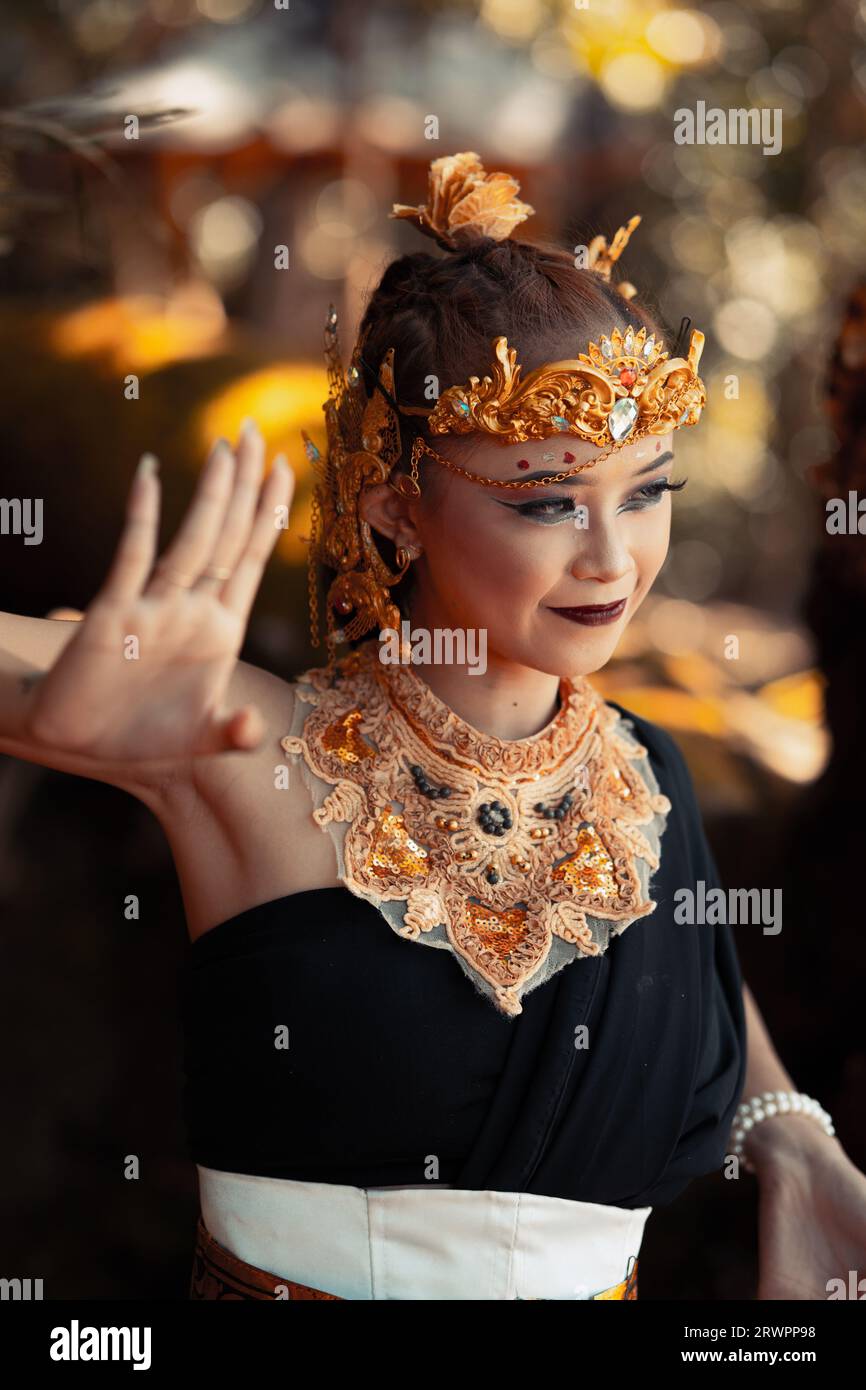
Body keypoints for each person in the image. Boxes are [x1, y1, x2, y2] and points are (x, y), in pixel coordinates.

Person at [1, 151, 864, 1301]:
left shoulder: (646, 775)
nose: (612, 560)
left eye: (646, 490)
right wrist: (54, 699)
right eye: (546, 500)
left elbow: (688, 970)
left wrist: (788, 1138)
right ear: (396, 509)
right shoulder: (249, 749)